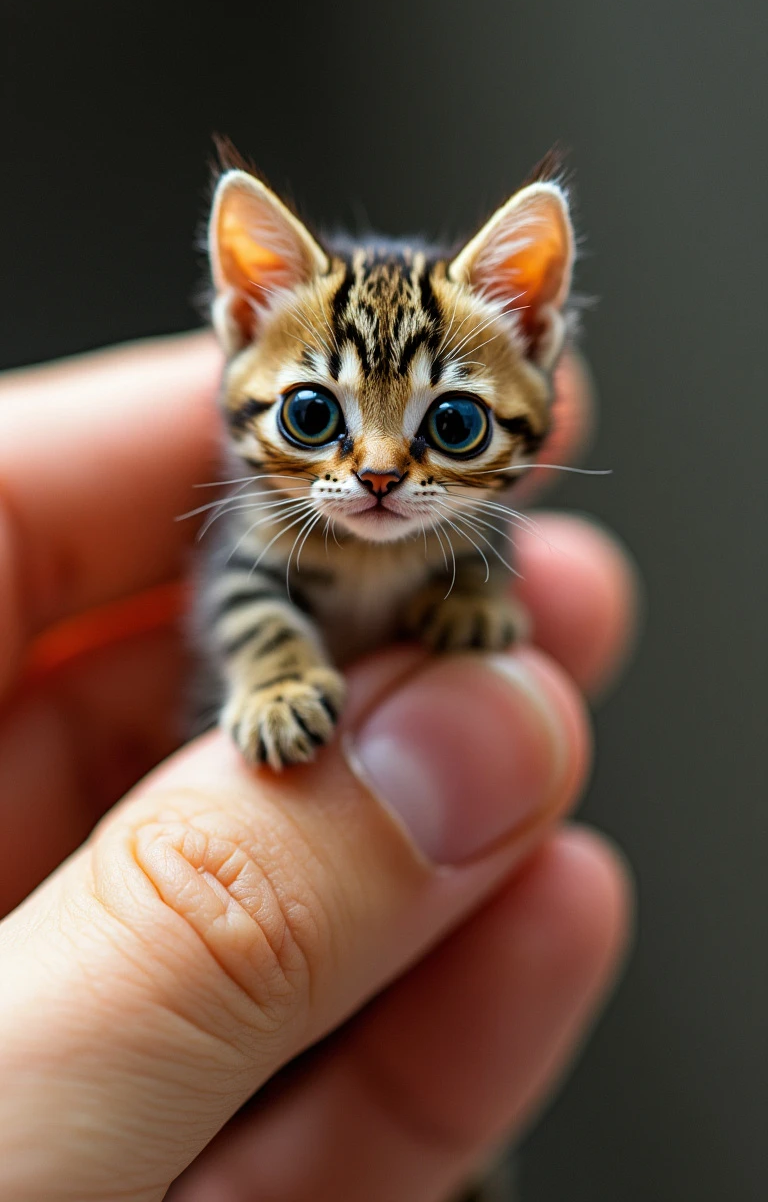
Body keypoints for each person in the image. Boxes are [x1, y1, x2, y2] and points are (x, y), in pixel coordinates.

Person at [0, 332, 637, 1202]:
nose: (377, 469)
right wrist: (274, 672)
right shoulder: (270, 518)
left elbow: (492, 554)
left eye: (450, 424)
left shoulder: (470, 535)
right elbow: (238, 594)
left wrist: (479, 599)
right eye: (314, 416)